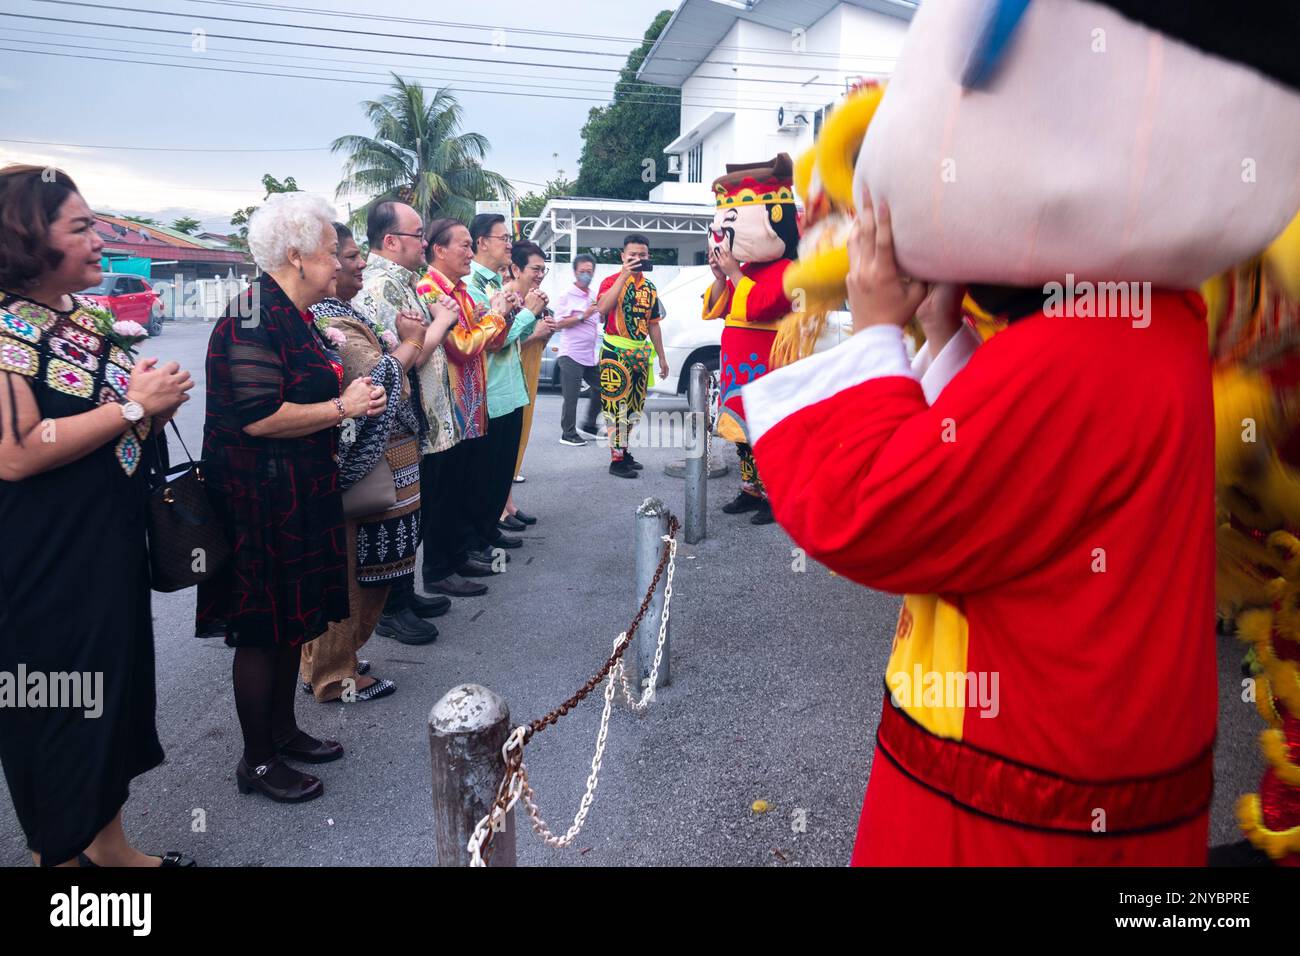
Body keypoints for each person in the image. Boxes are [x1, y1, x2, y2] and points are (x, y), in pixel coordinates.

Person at [743, 199, 1216, 865]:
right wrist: (941, 335)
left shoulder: (1077, 343)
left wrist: (876, 330)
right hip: (1080, 764)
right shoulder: (1141, 319)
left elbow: (873, 514)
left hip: (1018, 794)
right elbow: (1001, 484)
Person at [0, 164, 196, 867]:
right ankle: (62, 865)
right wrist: (138, 405)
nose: (99, 242)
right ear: (25, 238)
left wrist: (147, 401)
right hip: (43, 563)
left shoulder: (83, 319)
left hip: (107, 546)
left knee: (112, 698)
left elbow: (112, 424)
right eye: (79, 228)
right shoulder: (3, 330)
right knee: (57, 710)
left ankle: (111, 850)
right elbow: (17, 453)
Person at [198, 192, 388, 804]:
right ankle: (256, 761)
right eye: (333, 252)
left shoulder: (297, 314)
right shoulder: (252, 314)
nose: (340, 264)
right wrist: (343, 406)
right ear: (297, 255)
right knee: (262, 629)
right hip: (259, 502)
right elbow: (256, 415)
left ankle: (282, 732)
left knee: (291, 623)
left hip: (300, 492)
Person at [300, 222, 457, 701]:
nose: (358, 263)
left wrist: (405, 345)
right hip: (371, 465)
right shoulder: (331, 319)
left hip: (391, 456)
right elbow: (378, 378)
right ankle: (334, 673)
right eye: (346, 257)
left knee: (374, 568)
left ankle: (333, 660)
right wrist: (414, 340)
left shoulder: (339, 312)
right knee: (356, 572)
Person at [351, 200, 459, 623]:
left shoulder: (404, 281)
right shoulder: (379, 286)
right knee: (394, 515)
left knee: (412, 512)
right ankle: (390, 609)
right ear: (391, 240)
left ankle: (404, 595)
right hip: (393, 419)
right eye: (419, 235)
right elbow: (399, 358)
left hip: (416, 417)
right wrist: (440, 324)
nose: (425, 243)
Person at [703, 154, 799, 525]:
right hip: (738, 365)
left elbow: (760, 305)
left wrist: (732, 273)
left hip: (767, 364)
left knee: (766, 433)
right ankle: (749, 488)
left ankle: (774, 496)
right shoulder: (746, 268)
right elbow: (720, 307)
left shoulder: (788, 268)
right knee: (743, 433)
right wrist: (719, 276)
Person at [416, 218, 510, 584]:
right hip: (448, 409)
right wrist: (496, 318)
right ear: (439, 250)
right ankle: (438, 569)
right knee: (442, 495)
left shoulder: (460, 291)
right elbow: (462, 346)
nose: (471, 253)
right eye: (465, 245)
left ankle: (454, 559)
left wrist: (501, 314)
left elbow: (491, 342)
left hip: (468, 409)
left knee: (459, 489)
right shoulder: (430, 290)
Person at [466, 214, 538, 537]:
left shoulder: (495, 283)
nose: (509, 244)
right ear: (482, 243)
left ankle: (490, 532)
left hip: (508, 391)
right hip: (491, 393)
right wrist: (527, 314)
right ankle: (479, 539)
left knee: (501, 470)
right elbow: (493, 342)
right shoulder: (473, 285)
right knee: (485, 473)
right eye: (503, 238)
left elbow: (508, 334)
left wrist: (524, 314)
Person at [594, 234, 669, 478]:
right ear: (622, 257)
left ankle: (623, 451)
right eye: (632, 255)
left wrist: (662, 357)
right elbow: (603, 310)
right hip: (614, 352)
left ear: (648, 257)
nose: (638, 259)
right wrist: (624, 276)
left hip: (639, 353)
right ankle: (616, 460)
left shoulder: (650, 288)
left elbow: (654, 325)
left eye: (642, 255)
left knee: (634, 408)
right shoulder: (610, 281)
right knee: (615, 407)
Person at [554, 253, 602, 446]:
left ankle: (589, 424)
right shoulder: (566, 295)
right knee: (571, 397)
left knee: (603, 388)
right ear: (575, 272)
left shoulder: (592, 295)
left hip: (589, 356)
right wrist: (583, 315)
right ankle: (568, 433)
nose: (585, 275)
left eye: (589, 272)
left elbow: (597, 320)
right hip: (570, 354)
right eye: (582, 271)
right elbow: (558, 323)